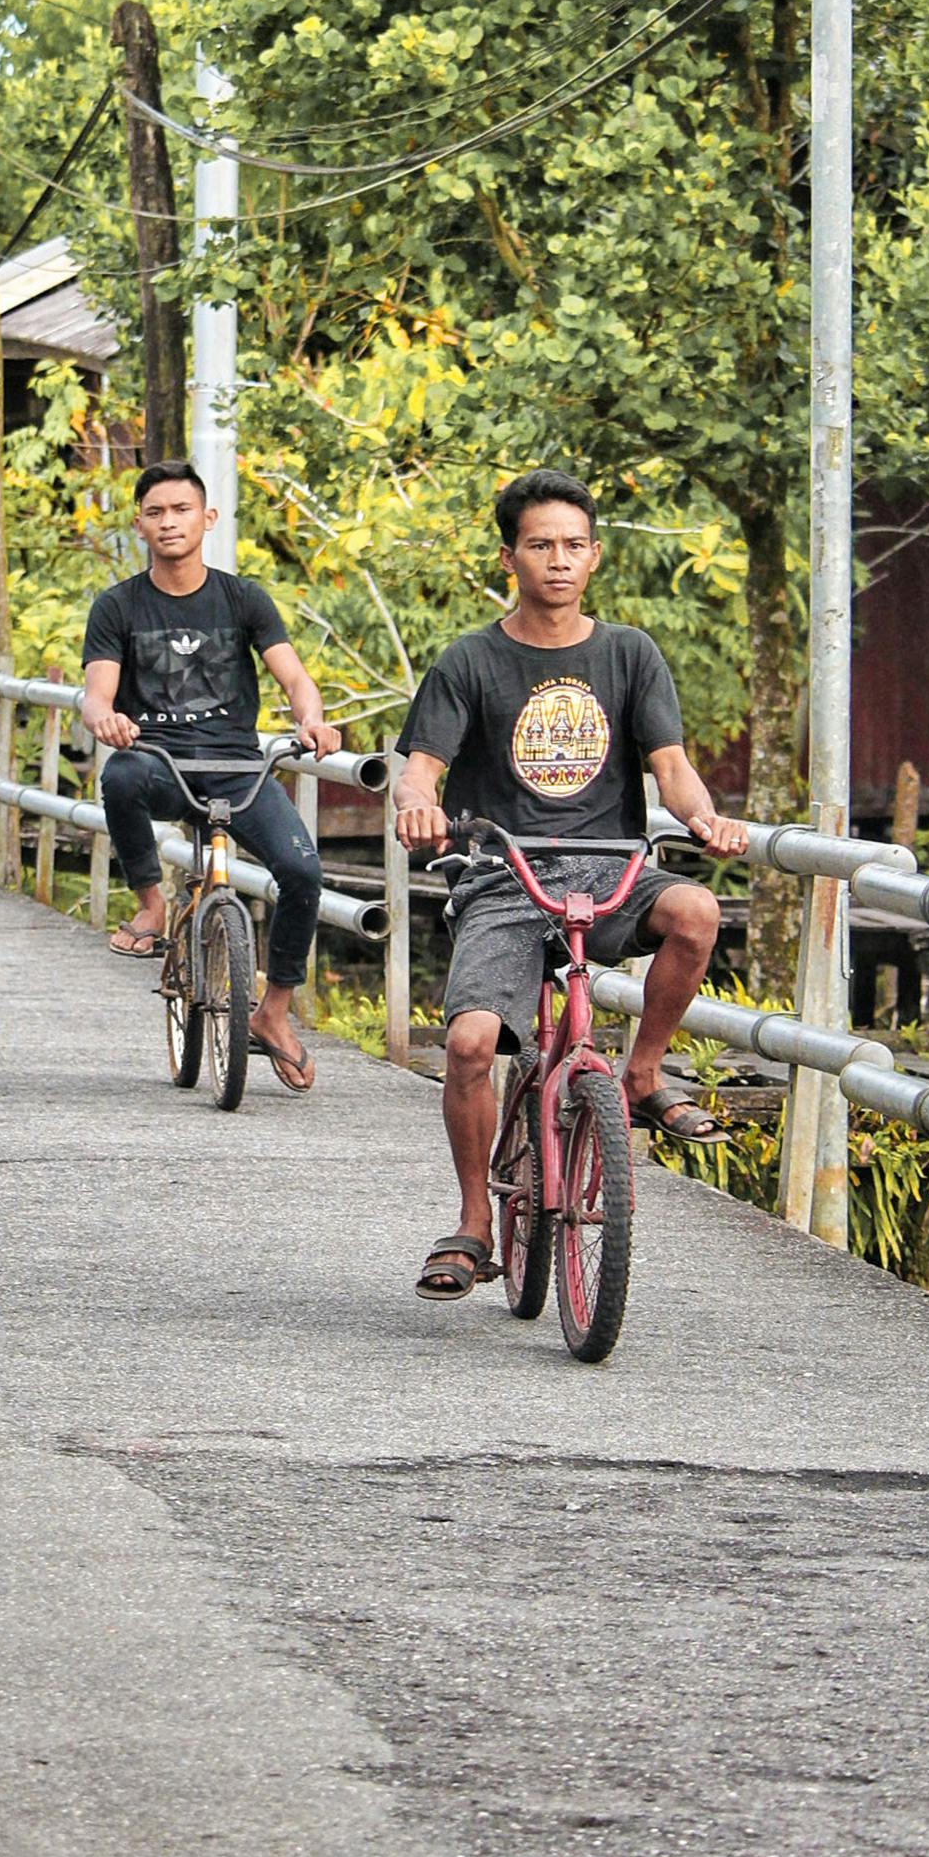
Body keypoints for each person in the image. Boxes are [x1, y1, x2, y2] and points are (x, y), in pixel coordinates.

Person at [391, 467, 750, 1302]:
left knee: (697, 909)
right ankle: (475, 1218)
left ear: (595, 557)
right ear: (510, 555)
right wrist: (417, 808)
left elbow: (673, 771)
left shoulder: (629, 653)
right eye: (541, 544)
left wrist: (707, 820)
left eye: (575, 545)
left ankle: (641, 1076)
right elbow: (421, 772)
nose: (559, 560)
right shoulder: (470, 659)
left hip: (610, 868)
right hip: (503, 873)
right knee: (473, 1044)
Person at [80, 458, 341, 1094]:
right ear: (139, 525)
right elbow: (95, 695)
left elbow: (295, 677)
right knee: (118, 777)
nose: (169, 522)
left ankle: (273, 1012)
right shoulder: (117, 605)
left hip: (236, 768)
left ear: (208, 519)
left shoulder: (243, 598)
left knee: (304, 871)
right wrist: (106, 720)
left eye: (182, 510)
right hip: (160, 762)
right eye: (155, 512)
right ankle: (149, 905)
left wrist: (312, 720)